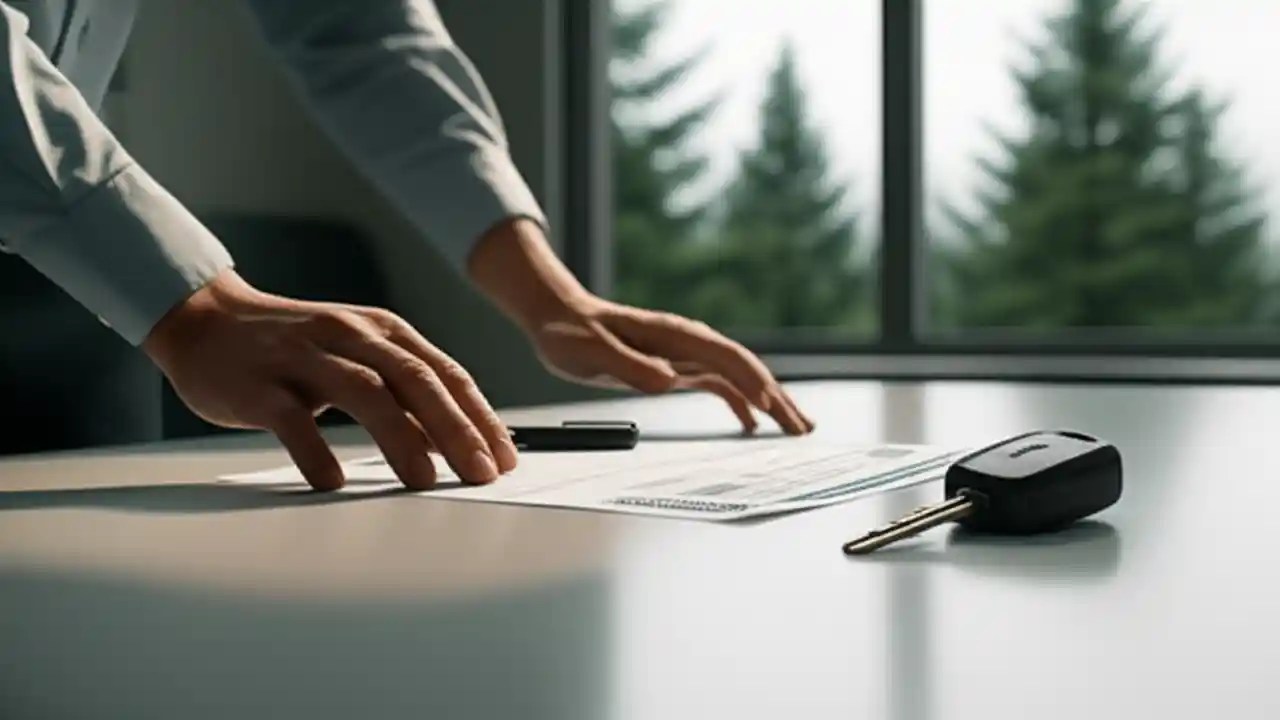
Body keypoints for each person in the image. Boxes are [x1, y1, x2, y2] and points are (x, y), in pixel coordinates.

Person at [0, 0, 813, 491]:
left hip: (87, 291)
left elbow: (362, 31)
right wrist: (196, 303)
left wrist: (549, 298)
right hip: (120, 278)